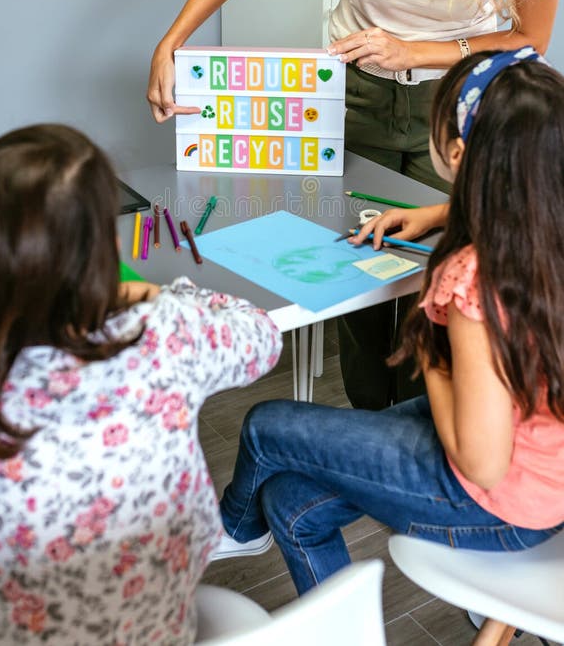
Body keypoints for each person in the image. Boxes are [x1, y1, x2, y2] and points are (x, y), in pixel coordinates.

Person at [147, 0, 564, 410]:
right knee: (356, 287)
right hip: (358, 100)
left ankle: (427, 450)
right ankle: (370, 430)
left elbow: (529, 41)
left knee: (441, 295)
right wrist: (172, 41)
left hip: (458, 109)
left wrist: (416, 51)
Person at [212, 50, 564, 645]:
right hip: (546, 471)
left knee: (265, 424)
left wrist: (432, 350)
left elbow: (481, 463)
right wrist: (438, 213)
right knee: (294, 504)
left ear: (456, 153)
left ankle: (234, 529)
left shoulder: (477, 278)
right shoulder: (544, 229)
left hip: (495, 502)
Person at [0, 124, 281, 645]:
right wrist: (157, 294)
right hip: (160, 628)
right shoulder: (162, 334)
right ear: (107, 248)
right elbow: (261, 336)